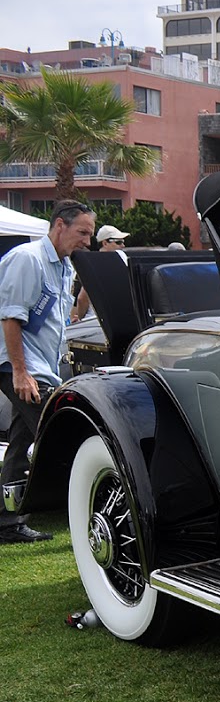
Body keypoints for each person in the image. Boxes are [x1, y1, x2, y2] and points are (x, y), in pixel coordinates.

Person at [1, 200, 95, 544]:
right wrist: (19, 372)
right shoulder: (28, 259)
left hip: (41, 366)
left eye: (91, 234)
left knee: (22, 439)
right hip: (20, 365)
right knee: (59, 432)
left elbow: (61, 319)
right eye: (82, 232)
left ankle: (6, 523)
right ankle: (90, 517)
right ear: (59, 225)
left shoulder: (65, 266)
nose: (87, 240)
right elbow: (11, 317)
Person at [70, 222, 129, 323]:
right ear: (105, 243)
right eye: (118, 242)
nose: (123, 245)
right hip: (95, 322)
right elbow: (81, 298)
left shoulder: (117, 261)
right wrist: (80, 319)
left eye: (123, 241)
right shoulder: (95, 265)